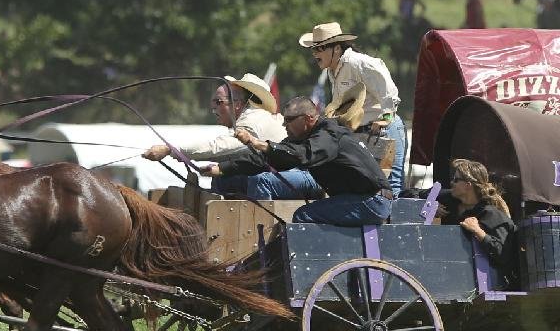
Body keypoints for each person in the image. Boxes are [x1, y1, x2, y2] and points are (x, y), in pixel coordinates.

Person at [203, 96, 392, 226]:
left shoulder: (328, 134)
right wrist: (221, 168)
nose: (284, 125)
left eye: (289, 120)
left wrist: (258, 143)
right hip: (358, 199)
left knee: (304, 215)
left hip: (372, 201)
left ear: (308, 118)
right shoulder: (302, 138)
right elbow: (265, 159)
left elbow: (304, 154)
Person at [142, 74, 300, 197]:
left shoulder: (252, 120)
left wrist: (170, 150)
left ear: (237, 104)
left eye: (218, 102)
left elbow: (219, 147)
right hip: (282, 179)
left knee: (225, 178)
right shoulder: (255, 117)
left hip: (287, 181)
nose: (213, 108)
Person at [299, 22, 407, 197]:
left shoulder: (359, 63)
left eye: (319, 48)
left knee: (391, 185)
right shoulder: (332, 71)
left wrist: (386, 117)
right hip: (365, 132)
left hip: (385, 129)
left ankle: (398, 224)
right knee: (372, 187)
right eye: (314, 49)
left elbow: (388, 90)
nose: (315, 53)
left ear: (336, 48)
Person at [443, 158, 518, 287]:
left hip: (493, 285)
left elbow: (502, 253)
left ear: (468, 185)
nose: (452, 183)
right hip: (455, 277)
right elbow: (416, 193)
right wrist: (433, 205)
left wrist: (478, 232)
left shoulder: (491, 214)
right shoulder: (451, 202)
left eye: (456, 180)